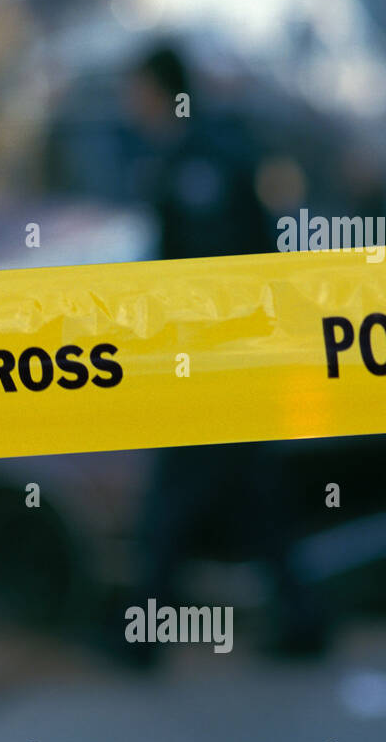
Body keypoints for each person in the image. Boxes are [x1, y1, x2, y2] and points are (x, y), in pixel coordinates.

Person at [116, 44, 329, 666]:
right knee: (249, 499)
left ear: (159, 90)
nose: (131, 106)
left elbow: (209, 272)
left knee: (174, 503)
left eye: (136, 91)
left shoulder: (200, 161)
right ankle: (300, 619)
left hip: (214, 364)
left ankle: (145, 636)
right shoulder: (199, 153)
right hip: (222, 362)